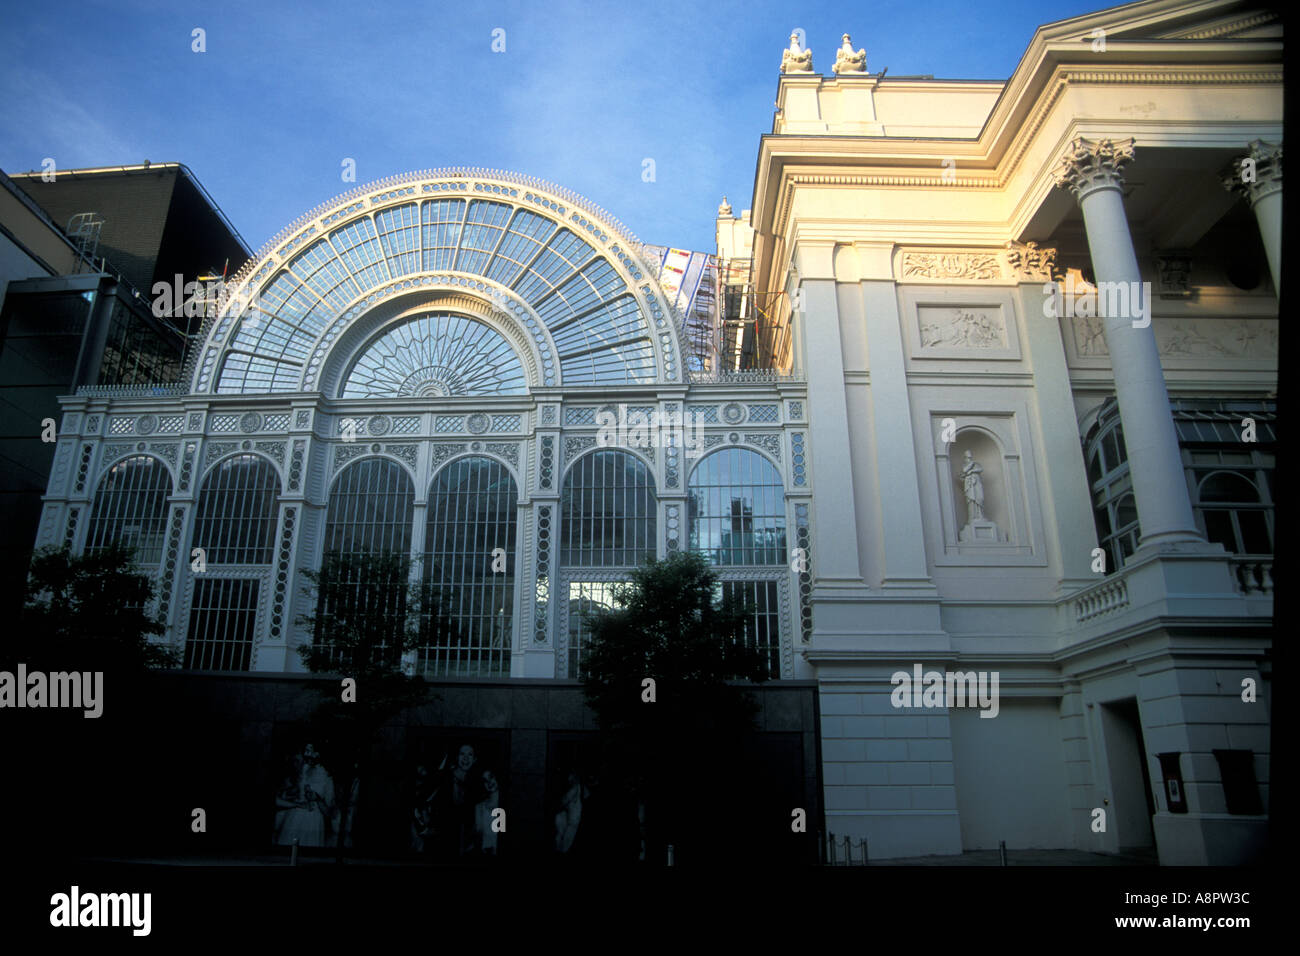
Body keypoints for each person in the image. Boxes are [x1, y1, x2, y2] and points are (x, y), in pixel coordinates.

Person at [274, 743, 336, 848]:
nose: (306, 754)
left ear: (318, 754)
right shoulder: (303, 769)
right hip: (295, 817)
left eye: (309, 751)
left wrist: (317, 798)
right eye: (305, 751)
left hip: (313, 821)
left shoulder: (327, 778)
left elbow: (330, 813)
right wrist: (294, 798)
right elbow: (287, 791)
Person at [473, 767, 502, 856]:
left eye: (491, 777)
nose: (489, 782)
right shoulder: (479, 807)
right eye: (485, 780)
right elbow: (479, 835)